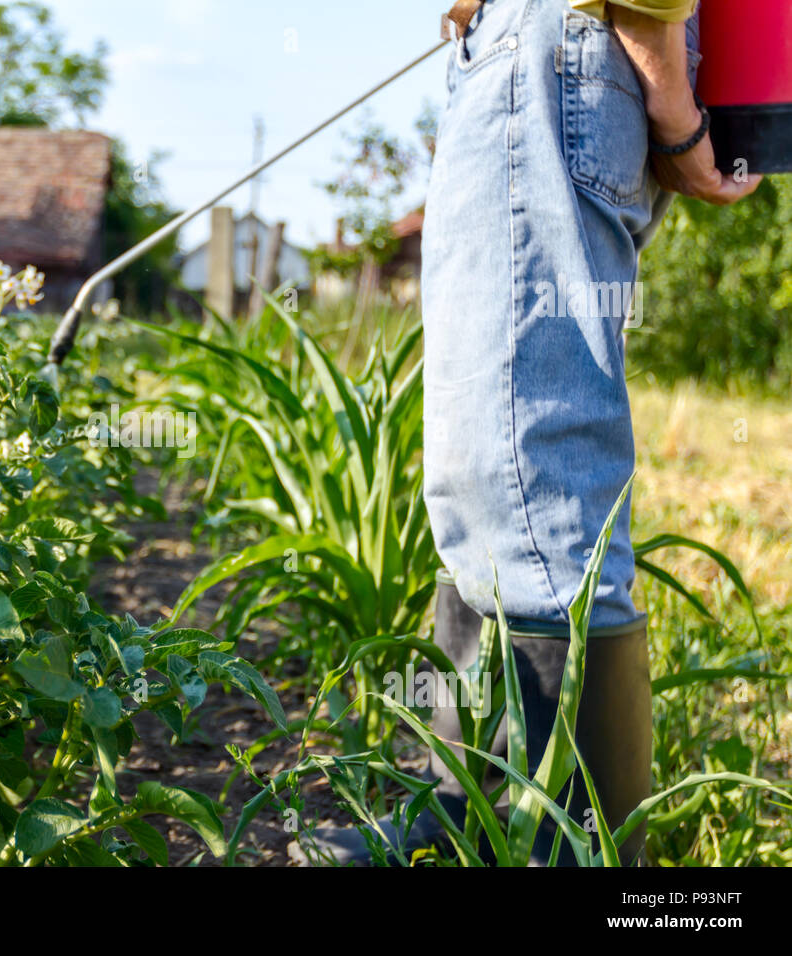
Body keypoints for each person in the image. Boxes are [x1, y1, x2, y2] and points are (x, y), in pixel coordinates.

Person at [293, 0, 762, 866]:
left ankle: (572, 848)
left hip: (568, 38)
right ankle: (472, 806)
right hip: (532, 44)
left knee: (531, 473)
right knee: (486, 476)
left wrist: (666, 83)